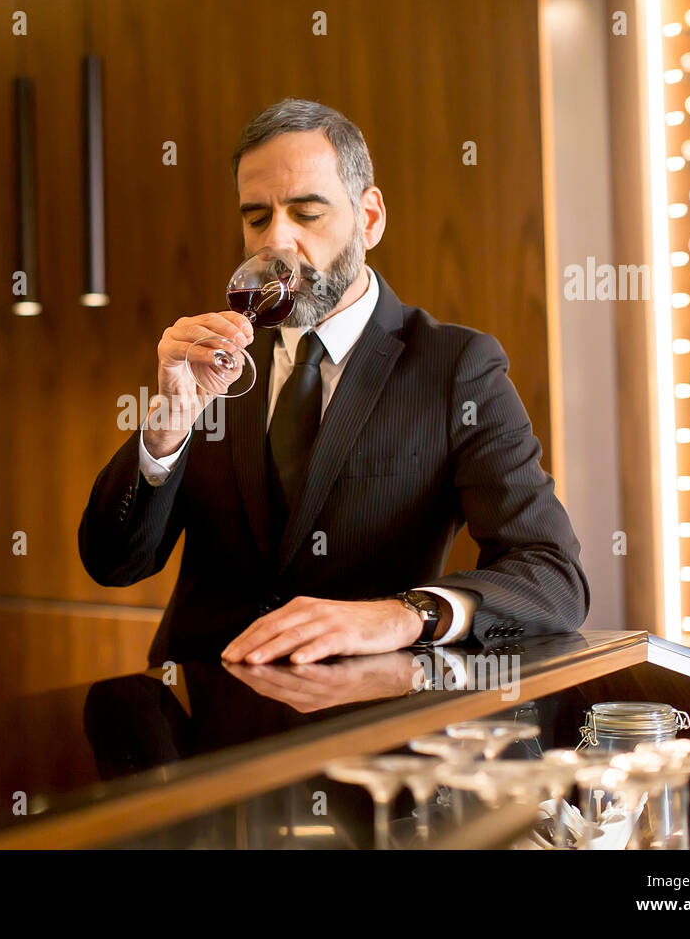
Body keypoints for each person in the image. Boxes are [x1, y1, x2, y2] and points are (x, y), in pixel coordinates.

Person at [79, 97, 589, 666]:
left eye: (306, 213)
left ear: (368, 218)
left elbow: (553, 576)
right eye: (256, 217)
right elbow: (113, 564)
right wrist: (168, 424)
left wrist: (403, 614)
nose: (277, 240)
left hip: (361, 725)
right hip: (197, 715)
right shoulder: (213, 360)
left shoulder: (456, 368)